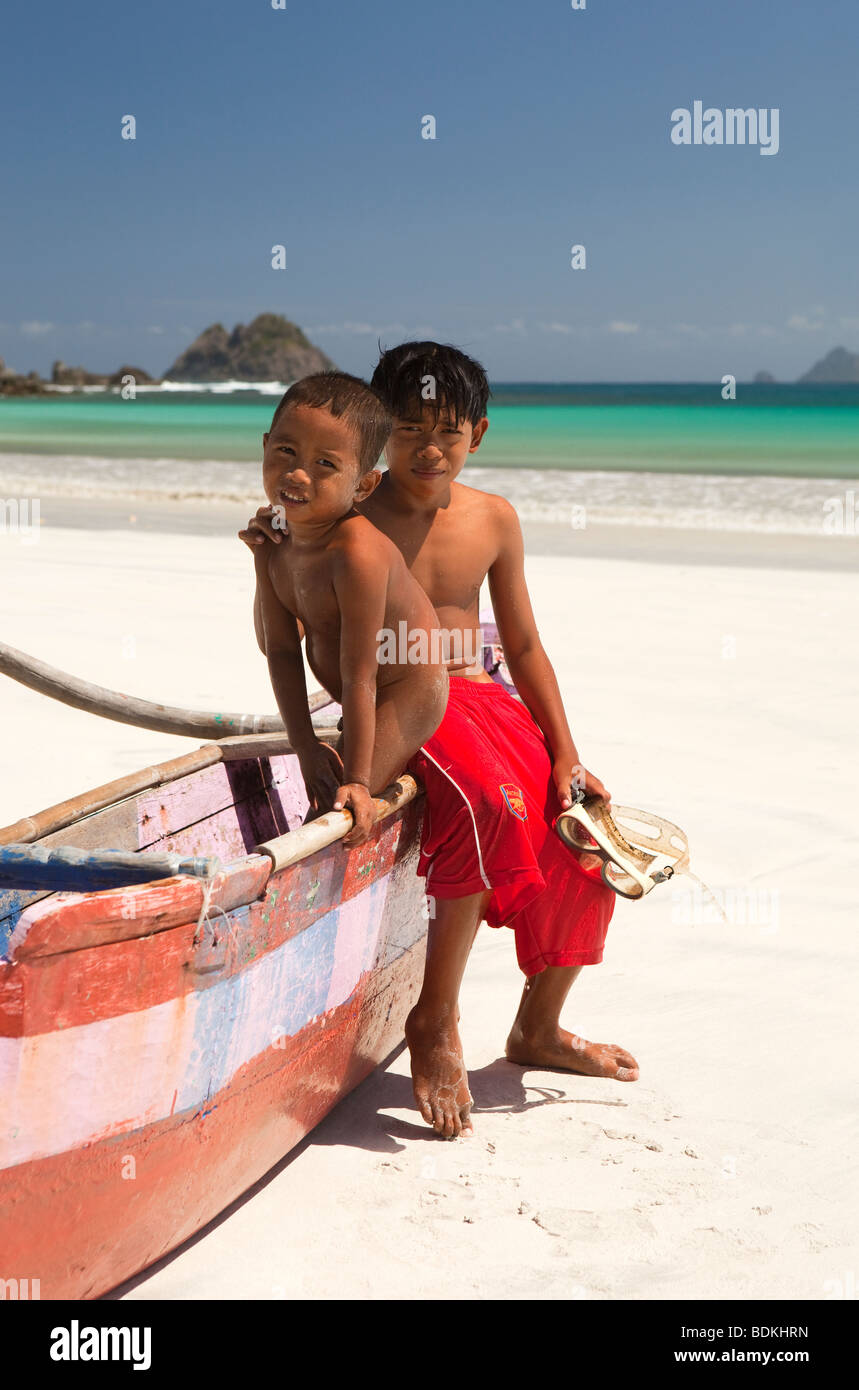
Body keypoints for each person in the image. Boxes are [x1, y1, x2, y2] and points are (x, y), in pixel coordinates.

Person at [244, 345, 637, 1139]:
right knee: (493, 803)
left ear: (478, 435)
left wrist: (566, 750)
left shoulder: (494, 519)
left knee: (589, 839)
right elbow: (309, 619)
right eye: (410, 429)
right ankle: (436, 1016)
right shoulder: (350, 510)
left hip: (488, 696)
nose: (428, 449)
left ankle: (537, 1029)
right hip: (412, 697)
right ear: (379, 439)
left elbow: (523, 645)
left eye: (447, 432)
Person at [244, 370, 447, 847]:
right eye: (287, 452)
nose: (297, 474)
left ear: (364, 485)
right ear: (266, 445)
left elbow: (363, 675)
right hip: (355, 691)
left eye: (325, 464)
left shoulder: (356, 554)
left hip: (405, 690)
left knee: (335, 808)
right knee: (321, 781)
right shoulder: (275, 539)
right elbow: (279, 650)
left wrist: (358, 779)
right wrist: (303, 745)